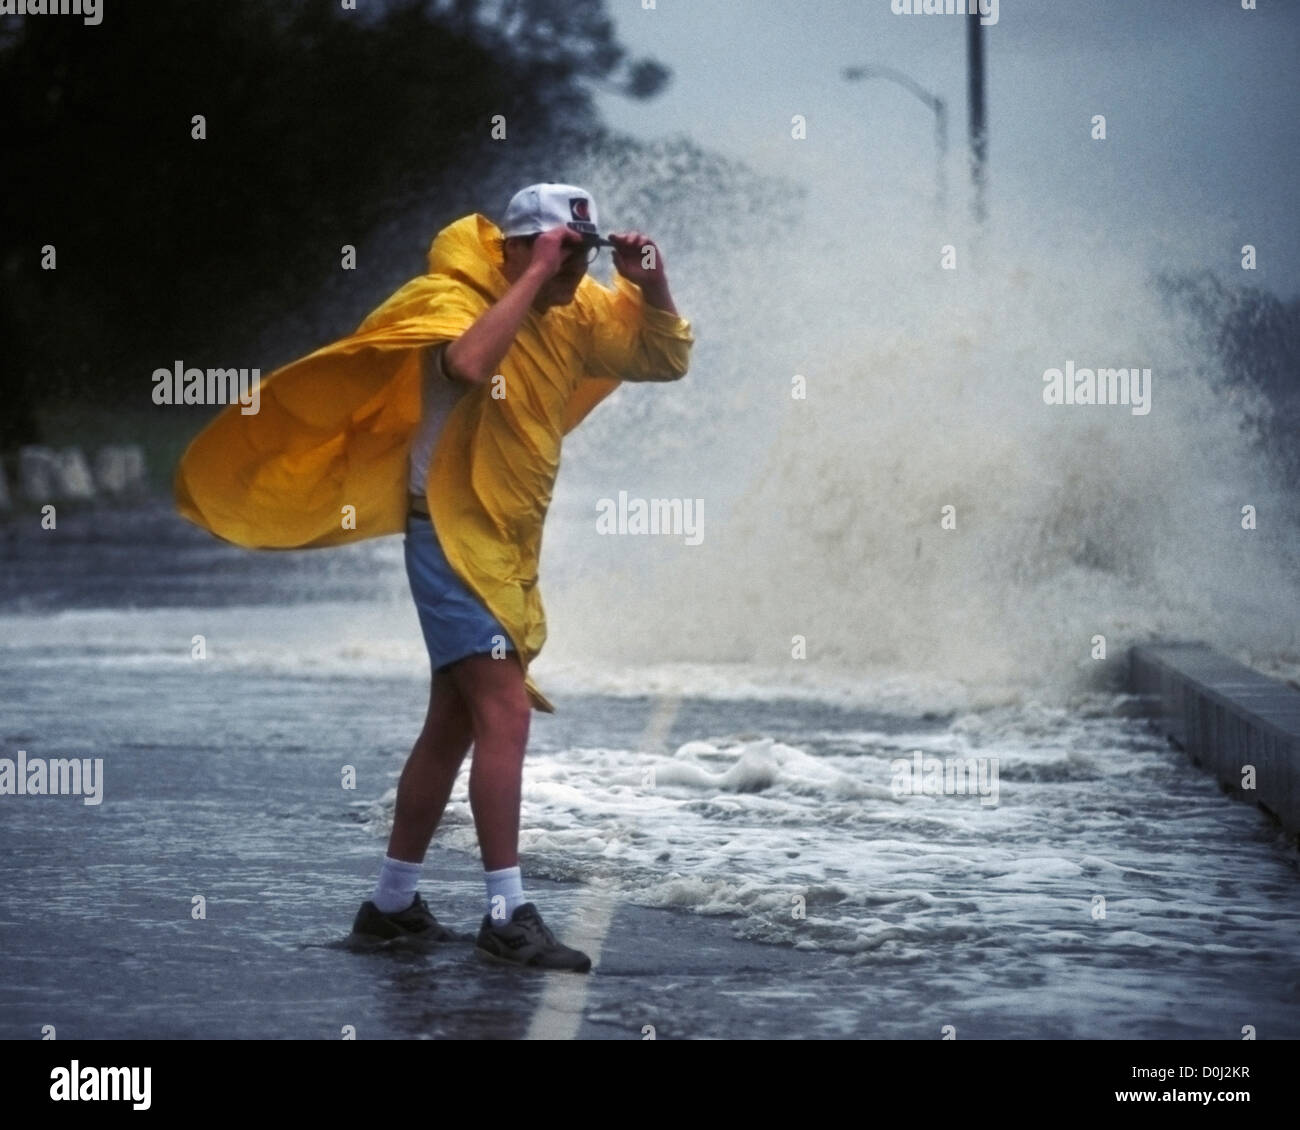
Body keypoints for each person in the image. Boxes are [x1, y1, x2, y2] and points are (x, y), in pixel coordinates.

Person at [176, 183, 693, 972]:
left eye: (581, 257)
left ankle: (390, 907)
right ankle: (506, 913)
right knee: (505, 714)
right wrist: (533, 279)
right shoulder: (450, 296)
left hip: (509, 545)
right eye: (557, 253)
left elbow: (663, 357)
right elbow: (466, 362)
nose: (571, 273)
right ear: (514, 248)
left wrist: (648, 281)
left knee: (451, 726)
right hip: (451, 537)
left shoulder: (574, 312)